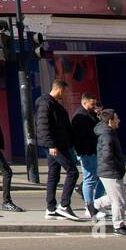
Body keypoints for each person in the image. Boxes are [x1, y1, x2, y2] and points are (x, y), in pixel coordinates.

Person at [35, 77, 82, 220]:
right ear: (60, 89)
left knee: (53, 175)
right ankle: (64, 205)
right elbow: (43, 125)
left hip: (59, 144)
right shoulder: (46, 103)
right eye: (65, 91)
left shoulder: (53, 103)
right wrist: (51, 145)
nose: (66, 94)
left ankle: (50, 209)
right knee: (72, 171)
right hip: (55, 145)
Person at [93, 109, 126, 238]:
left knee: (119, 197)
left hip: (110, 170)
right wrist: (116, 169)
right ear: (110, 121)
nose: (119, 120)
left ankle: (94, 205)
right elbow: (107, 156)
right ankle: (118, 226)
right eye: (116, 118)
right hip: (110, 171)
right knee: (119, 200)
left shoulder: (108, 132)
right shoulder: (107, 135)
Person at [71, 93, 103, 216]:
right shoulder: (80, 117)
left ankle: (96, 204)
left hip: (93, 151)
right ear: (84, 103)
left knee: (100, 178)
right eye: (92, 103)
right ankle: (90, 207)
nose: (94, 105)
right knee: (89, 180)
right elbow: (80, 137)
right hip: (87, 153)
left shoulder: (90, 114)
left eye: (95, 103)